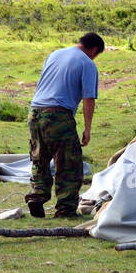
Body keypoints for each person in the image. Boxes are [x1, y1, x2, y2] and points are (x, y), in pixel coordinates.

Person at [25, 32, 103, 218]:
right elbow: (88, 99)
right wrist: (88, 128)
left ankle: (37, 197)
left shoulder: (54, 55)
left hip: (34, 112)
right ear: (93, 49)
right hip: (58, 115)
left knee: (39, 158)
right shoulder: (87, 63)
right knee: (69, 163)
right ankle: (65, 209)